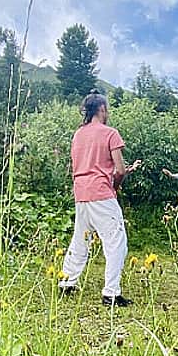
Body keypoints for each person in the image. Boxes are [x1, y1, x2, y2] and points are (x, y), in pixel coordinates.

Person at [58, 93, 140, 307]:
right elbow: (119, 169)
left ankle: (66, 282)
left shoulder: (78, 135)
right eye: (107, 109)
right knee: (116, 242)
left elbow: (80, 166)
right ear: (102, 109)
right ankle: (111, 293)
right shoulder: (110, 133)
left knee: (80, 240)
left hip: (81, 193)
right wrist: (115, 185)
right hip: (102, 193)